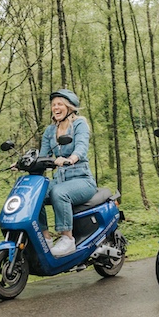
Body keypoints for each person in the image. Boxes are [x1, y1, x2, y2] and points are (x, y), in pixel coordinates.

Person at [39, 89, 97, 257]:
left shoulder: (79, 124)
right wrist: (24, 162)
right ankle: (45, 238)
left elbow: (81, 147)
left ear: (69, 107)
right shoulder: (50, 131)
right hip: (60, 179)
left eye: (59, 104)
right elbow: (43, 156)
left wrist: (71, 158)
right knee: (37, 193)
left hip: (82, 180)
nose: (55, 107)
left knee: (59, 192)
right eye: (53, 105)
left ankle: (67, 239)